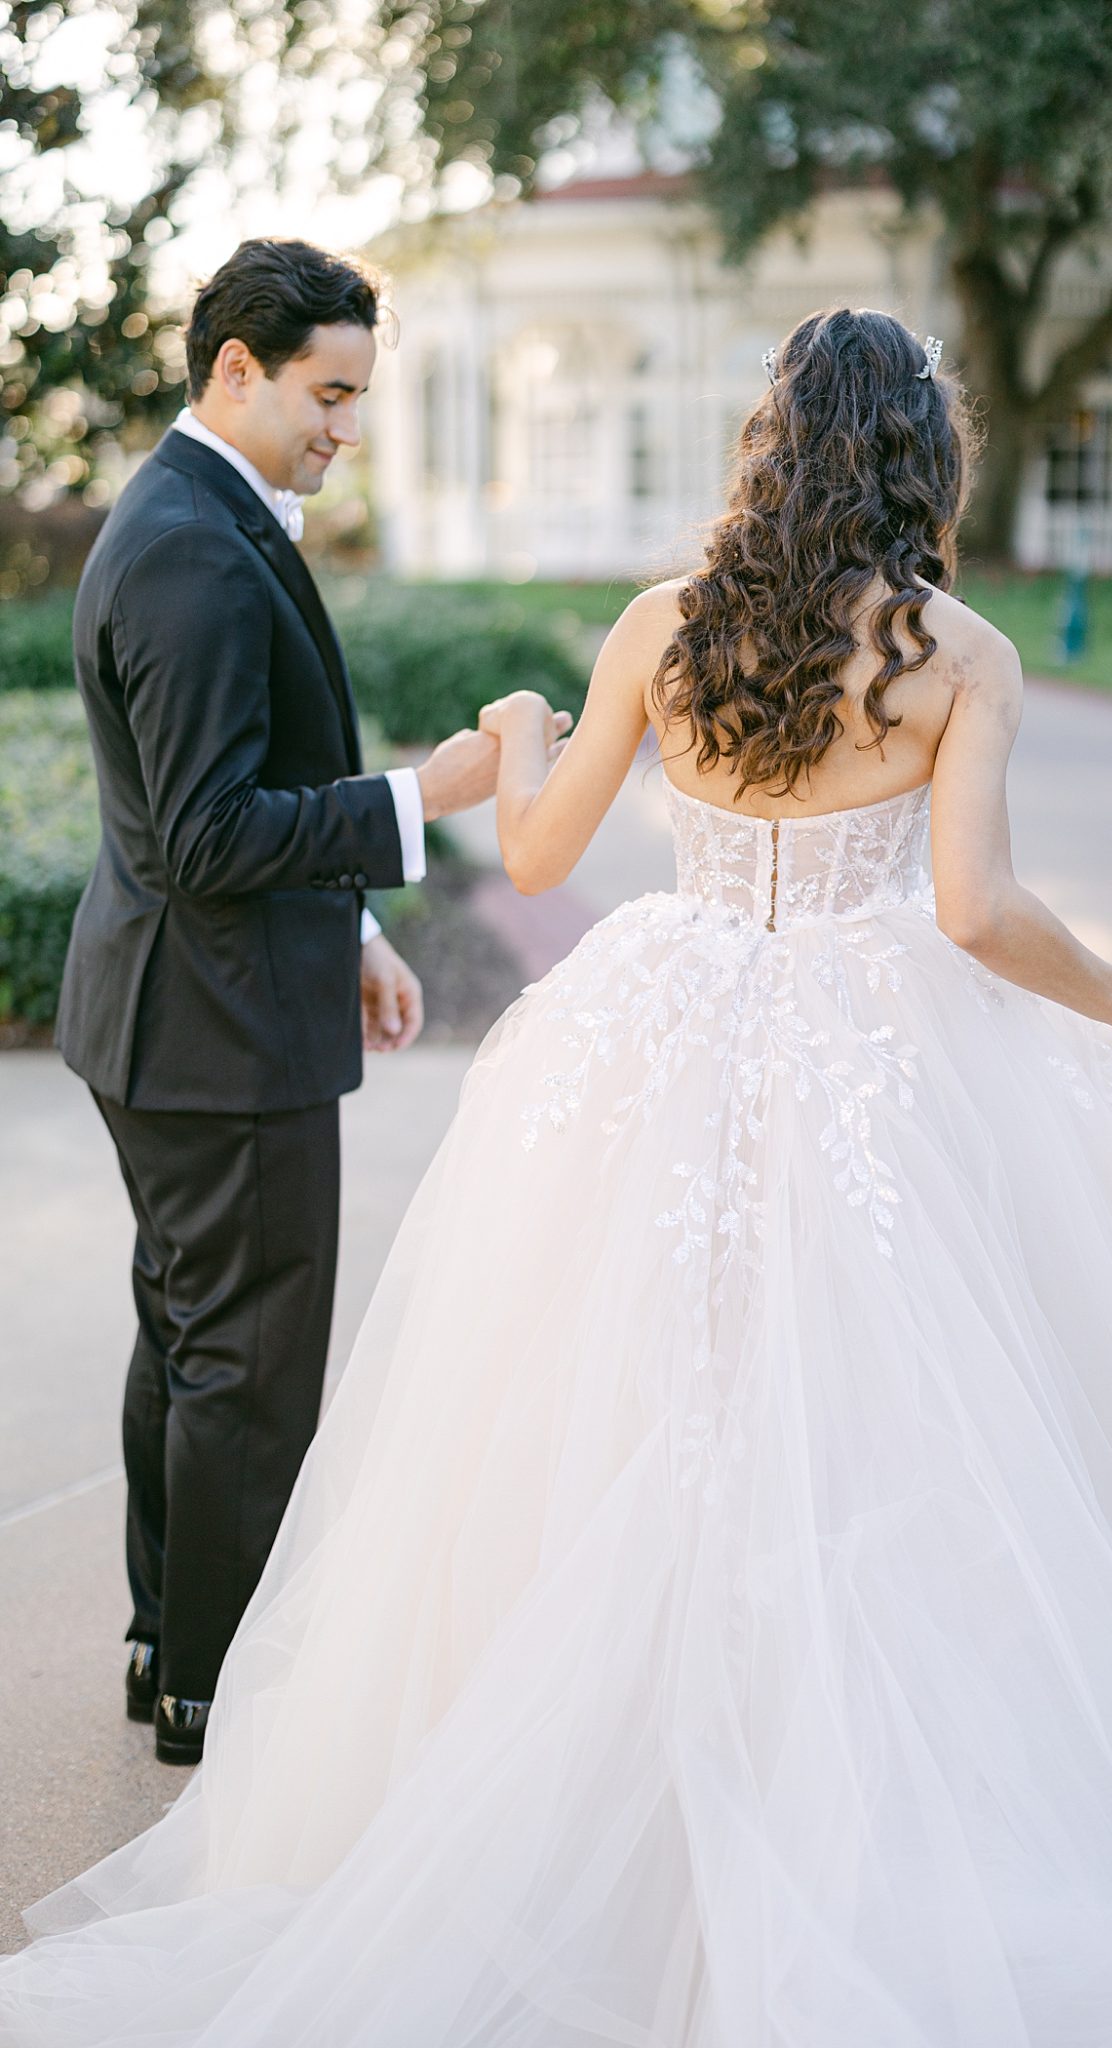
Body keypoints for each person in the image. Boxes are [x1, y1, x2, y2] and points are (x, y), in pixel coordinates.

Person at [6, 304, 1112, 2042]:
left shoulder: (663, 624)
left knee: (622, 1415)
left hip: (660, 1031)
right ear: (921, 458)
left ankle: (604, 1776)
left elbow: (551, 844)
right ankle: (853, 1778)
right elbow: (972, 914)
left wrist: (519, 726)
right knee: (895, 1422)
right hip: (876, 1061)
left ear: (769, 439)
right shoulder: (958, 656)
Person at [51, 237, 567, 1765]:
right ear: (236, 368)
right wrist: (423, 799)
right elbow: (210, 833)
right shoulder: (194, 548)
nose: (344, 426)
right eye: (327, 394)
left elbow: (224, 800)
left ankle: (170, 1645)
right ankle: (218, 1689)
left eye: (355, 395)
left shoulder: (197, 511)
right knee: (247, 1364)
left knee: (191, 1334)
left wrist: (352, 922)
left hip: (183, 1006)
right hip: (213, 1029)